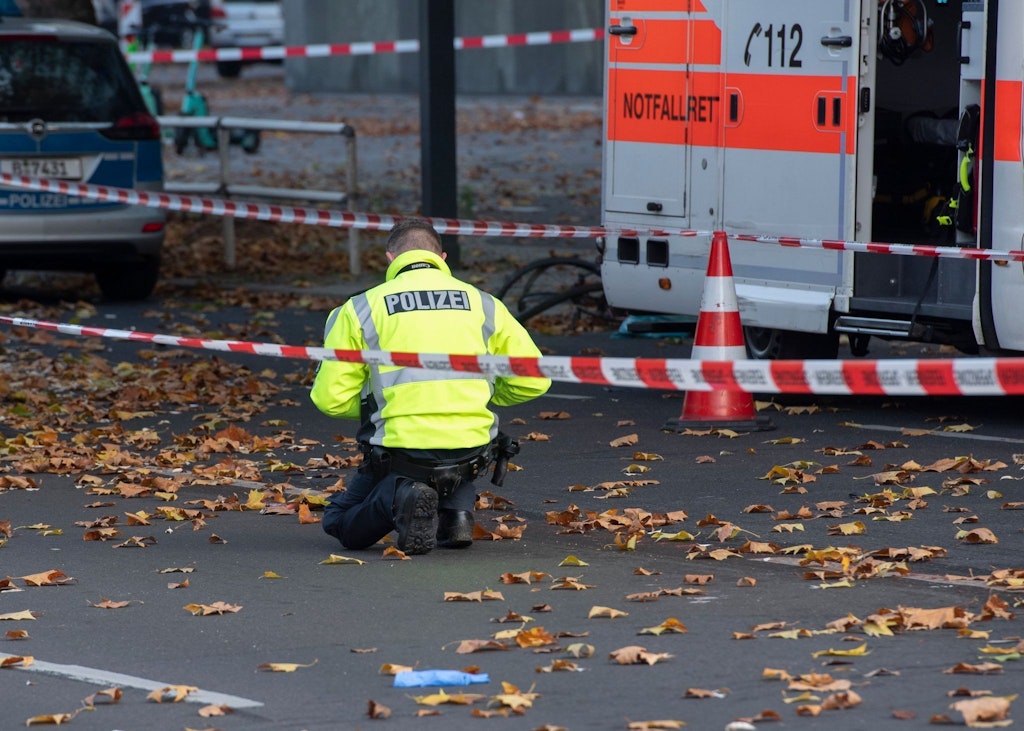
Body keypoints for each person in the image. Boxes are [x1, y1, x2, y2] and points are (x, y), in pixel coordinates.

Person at [310, 218, 551, 555]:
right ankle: (457, 515)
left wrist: (380, 403)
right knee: (464, 448)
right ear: (443, 257)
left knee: (338, 519)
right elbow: (533, 379)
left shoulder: (359, 309)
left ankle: (400, 497)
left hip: (401, 453)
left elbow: (330, 399)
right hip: (470, 451)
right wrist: (479, 394)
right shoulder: (484, 304)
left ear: (390, 258)